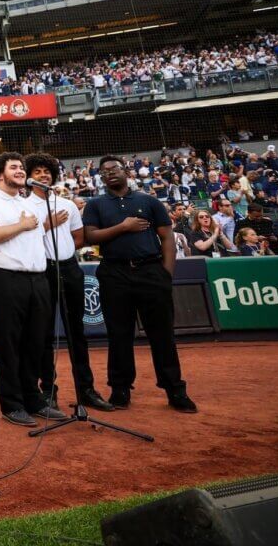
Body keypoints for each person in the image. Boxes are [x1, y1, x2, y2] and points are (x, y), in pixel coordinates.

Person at [83, 155, 195, 413]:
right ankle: (120, 389)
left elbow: (167, 238)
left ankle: (175, 389)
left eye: (115, 169)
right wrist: (124, 226)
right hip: (114, 272)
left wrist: (166, 274)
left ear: (126, 172)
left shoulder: (148, 200)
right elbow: (90, 236)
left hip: (150, 271)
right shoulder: (96, 204)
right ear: (100, 177)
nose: (110, 173)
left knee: (162, 334)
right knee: (119, 335)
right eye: (104, 171)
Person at [0, 153, 64, 427]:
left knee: (36, 342)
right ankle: (11, 404)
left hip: (38, 278)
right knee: (9, 344)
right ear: (0, 173)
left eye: (22, 167)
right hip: (6, 279)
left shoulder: (29, 204)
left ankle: (33, 399)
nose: (21, 171)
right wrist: (22, 225)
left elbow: (36, 238)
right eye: (14, 167)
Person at [24, 153, 113, 413]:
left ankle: (85, 389)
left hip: (70, 268)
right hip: (41, 270)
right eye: (38, 171)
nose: (44, 175)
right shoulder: (24, 206)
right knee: (42, 334)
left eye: (47, 171)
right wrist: (47, 225)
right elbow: (24, 240)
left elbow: (78, 238)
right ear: (29, 177)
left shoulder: (68, 204)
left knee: (77, 333)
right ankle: (47, 391)